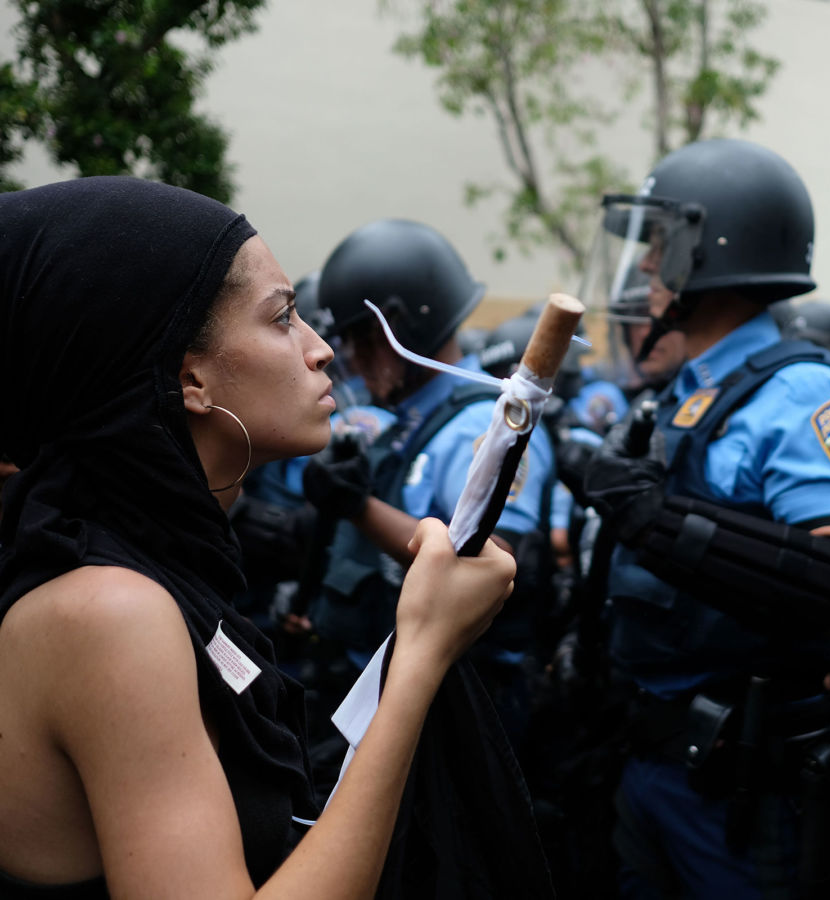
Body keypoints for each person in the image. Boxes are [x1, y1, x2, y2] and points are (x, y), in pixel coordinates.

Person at [0, 176, 516, 897]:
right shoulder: (109, 612)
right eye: (283, 319)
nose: (322, 350)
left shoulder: (151, 569)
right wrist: (423, 651)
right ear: (192, 380)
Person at [575, 137, 830, 898]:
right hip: (651, 752)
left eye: (661, 242)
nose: (647, 264)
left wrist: (661, 520)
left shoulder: (803, 395)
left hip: (741, 775)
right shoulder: (690, 390)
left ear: (718, 250)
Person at [300, 218, 556, 749]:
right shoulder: (402, 419)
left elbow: (500, 562)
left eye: (356, 339)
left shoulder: (483, 429)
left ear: (397, 329)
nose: (348, 357)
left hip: (452, 707)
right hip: (375, 686)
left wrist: (358, 507)